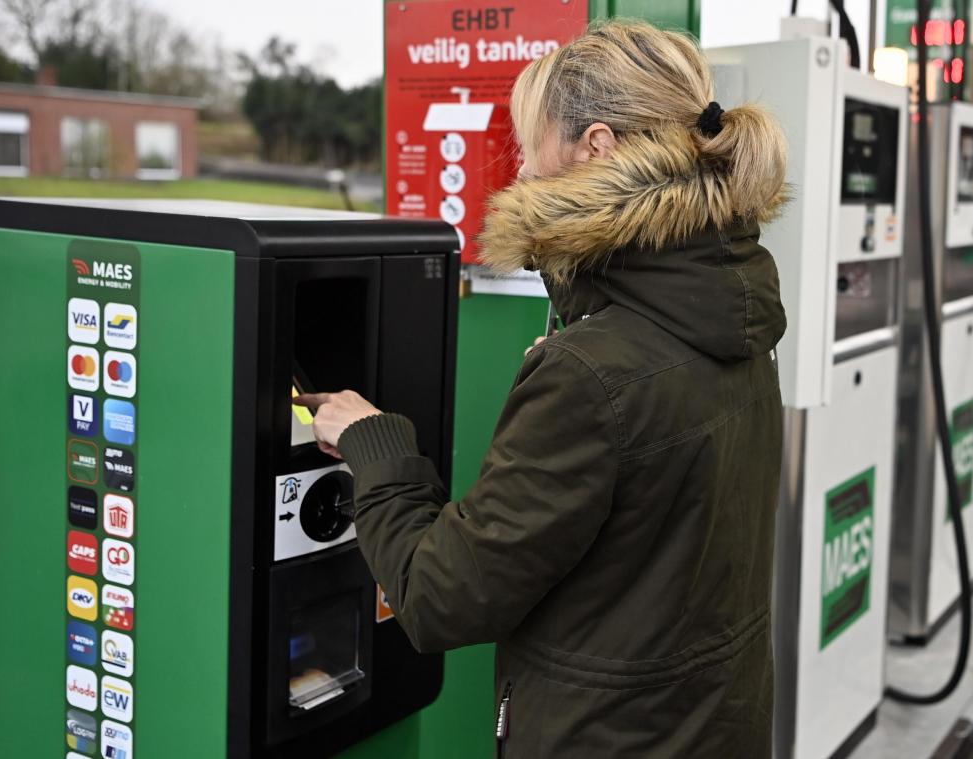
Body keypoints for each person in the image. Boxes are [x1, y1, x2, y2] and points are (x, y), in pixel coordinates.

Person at [295, 19, 787, 757]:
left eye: (534, 144)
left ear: (596, 146)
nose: (523, 172)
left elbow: (438, 599)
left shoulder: (595, 372)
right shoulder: (734, 308)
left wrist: (377, 447)